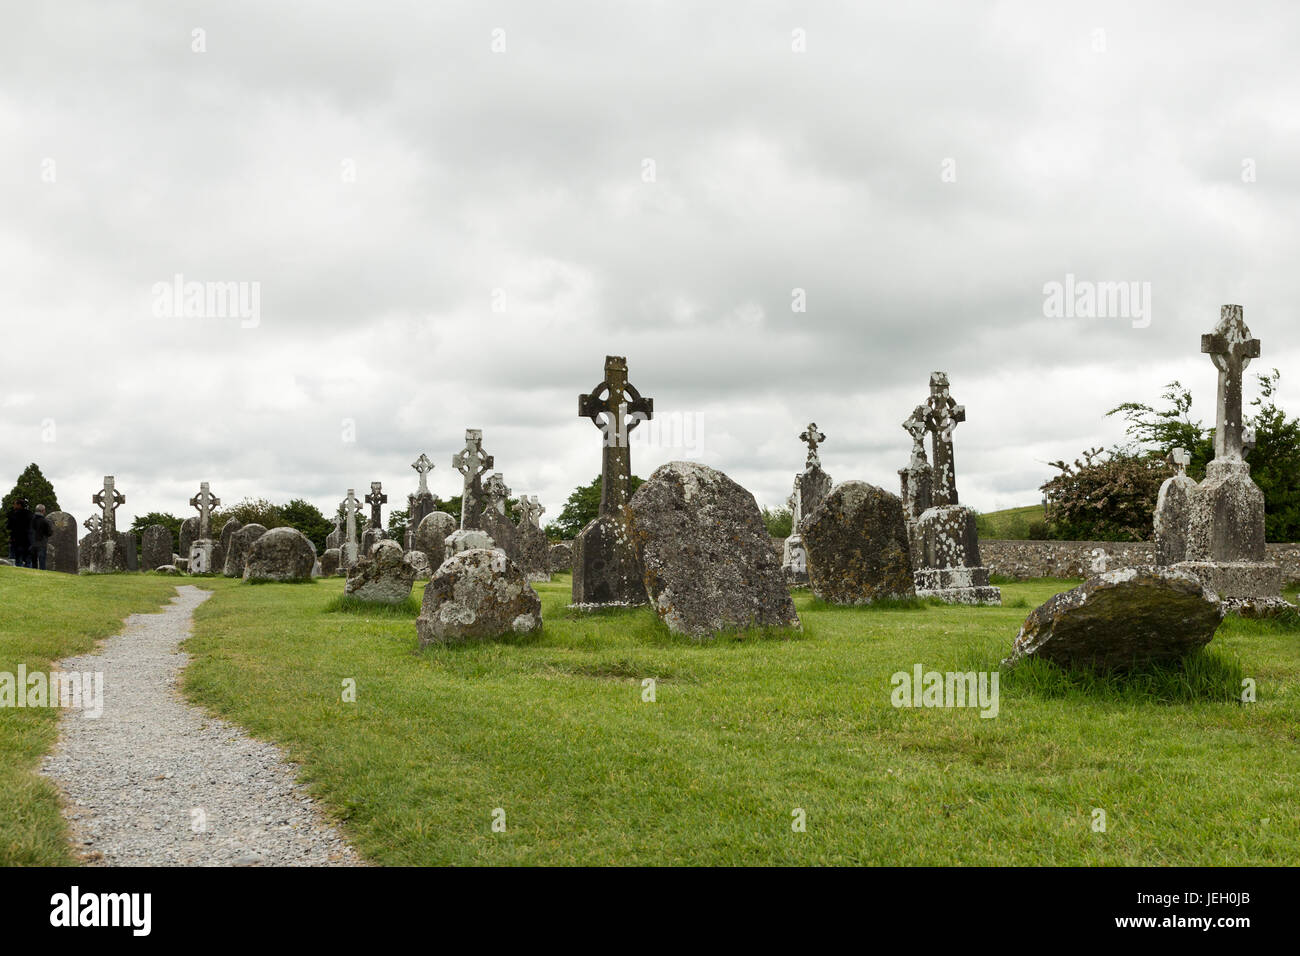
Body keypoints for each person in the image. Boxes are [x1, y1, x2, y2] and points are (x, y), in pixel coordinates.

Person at [7, 499, 32, 567]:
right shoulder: (29, 514)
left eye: (15, 504)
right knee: (27, 559)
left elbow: (8, 526)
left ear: (19, 505)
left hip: (16, 539)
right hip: (26, 539)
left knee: (17, 557)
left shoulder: (13, 514)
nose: (13, 505)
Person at [30, 504, 52, 570]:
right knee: (42, 562)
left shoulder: (31, 519)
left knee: (33, 562)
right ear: (43, 511)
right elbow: (49, 533)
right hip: (41, 543)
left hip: (32, 542)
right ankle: (42, 576)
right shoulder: (45, 521)